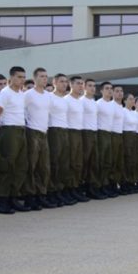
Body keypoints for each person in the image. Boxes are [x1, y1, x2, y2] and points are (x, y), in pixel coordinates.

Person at [0, 66, 31, 214]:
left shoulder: (21, 94)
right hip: (9, 130)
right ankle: (1, 201)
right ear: (12, 77)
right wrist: (0, 132)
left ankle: (13, 198)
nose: (22, 80)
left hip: (21, 130)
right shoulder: (5, 93)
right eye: (19, 77)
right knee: (6, 166)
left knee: (20, 166)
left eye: (23, 77)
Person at [23, 68, 55, 210]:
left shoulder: (48, 96)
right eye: (41, 76)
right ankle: (30, 197)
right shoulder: (28, 94)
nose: (44, 79)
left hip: (44, 132)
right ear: (35, 78)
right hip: (32, 131)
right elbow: (21, 110)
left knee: (44, 167)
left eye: (46, 76)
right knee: (32, 165)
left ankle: (41, 194)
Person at [47, 74, 76, 206]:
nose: (64, 84)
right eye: (61, 81)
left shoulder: (64, 99)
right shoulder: (49, 97)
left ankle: (60, 190)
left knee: (64, 163)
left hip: (65, 130)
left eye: (66, 82)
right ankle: (51, 192)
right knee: (55, 163)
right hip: (54, 130)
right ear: (54, 83)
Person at [81, 79, 106, 200]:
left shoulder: (94, 102)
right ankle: (82, 187)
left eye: (94, 86)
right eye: (89, 86)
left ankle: (91, 187)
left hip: (94, 132)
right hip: (85, 133)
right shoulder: (81, 101)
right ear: (84, 87)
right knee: (85, 162)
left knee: (94, 162)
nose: (92, 88)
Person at [65, 76, 89, 201]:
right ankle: (68, 189)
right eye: (78, 83)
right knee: (71, 162)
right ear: (71, 85)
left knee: (79, 163)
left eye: (82, 84)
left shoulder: (80, 101)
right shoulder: (66, 100)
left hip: (80, 132)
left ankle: (75, 187)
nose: (81, 86)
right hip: (70, 132)